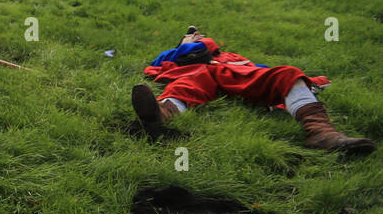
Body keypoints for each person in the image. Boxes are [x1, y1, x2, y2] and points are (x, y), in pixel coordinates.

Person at [131, 27, 374, 154]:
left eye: (201, 37)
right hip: (203, 74)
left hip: (239, 77)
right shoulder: (177, 52)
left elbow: (257, 70)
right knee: (189, 83)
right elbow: (159, 65)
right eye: (195, 36)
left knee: (288, 73)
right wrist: (184, 44)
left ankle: (322, 133)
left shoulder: (231, 56)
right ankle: (160, 115)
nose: (200, 38)